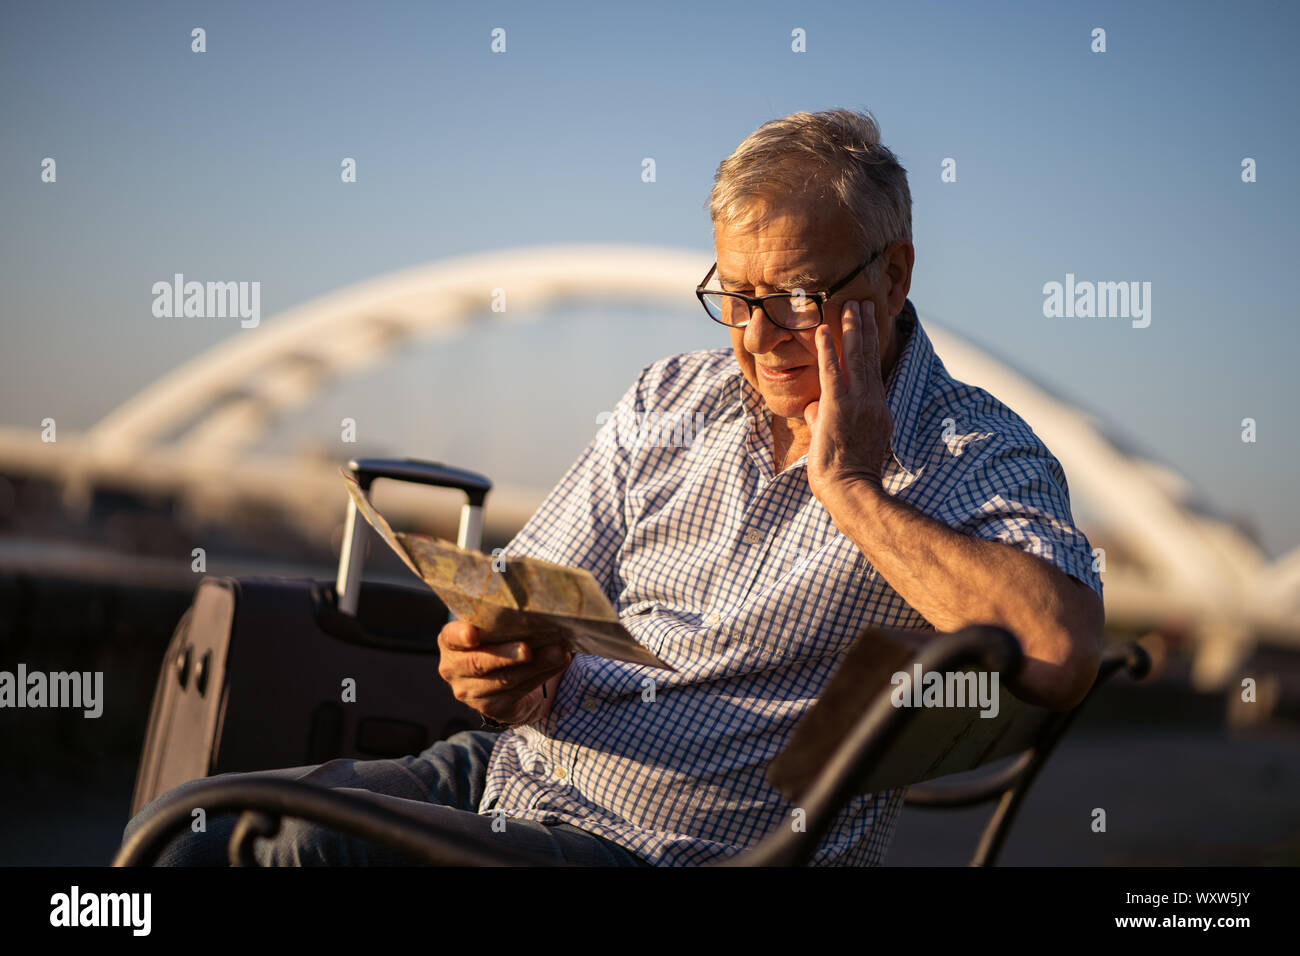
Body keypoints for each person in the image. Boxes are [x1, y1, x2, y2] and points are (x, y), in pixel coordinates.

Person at [123, 107, 1104, 867]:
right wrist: (487, 659)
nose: (755, 337)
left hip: (664, 849)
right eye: (734, 296)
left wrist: (851, 485)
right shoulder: (671, 394)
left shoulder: (969, 447)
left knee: (297, 849)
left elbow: (1059, 647)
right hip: (514, 776)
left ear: (891, 276)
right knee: (210, 822)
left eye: (796, 299)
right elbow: (524, 591)